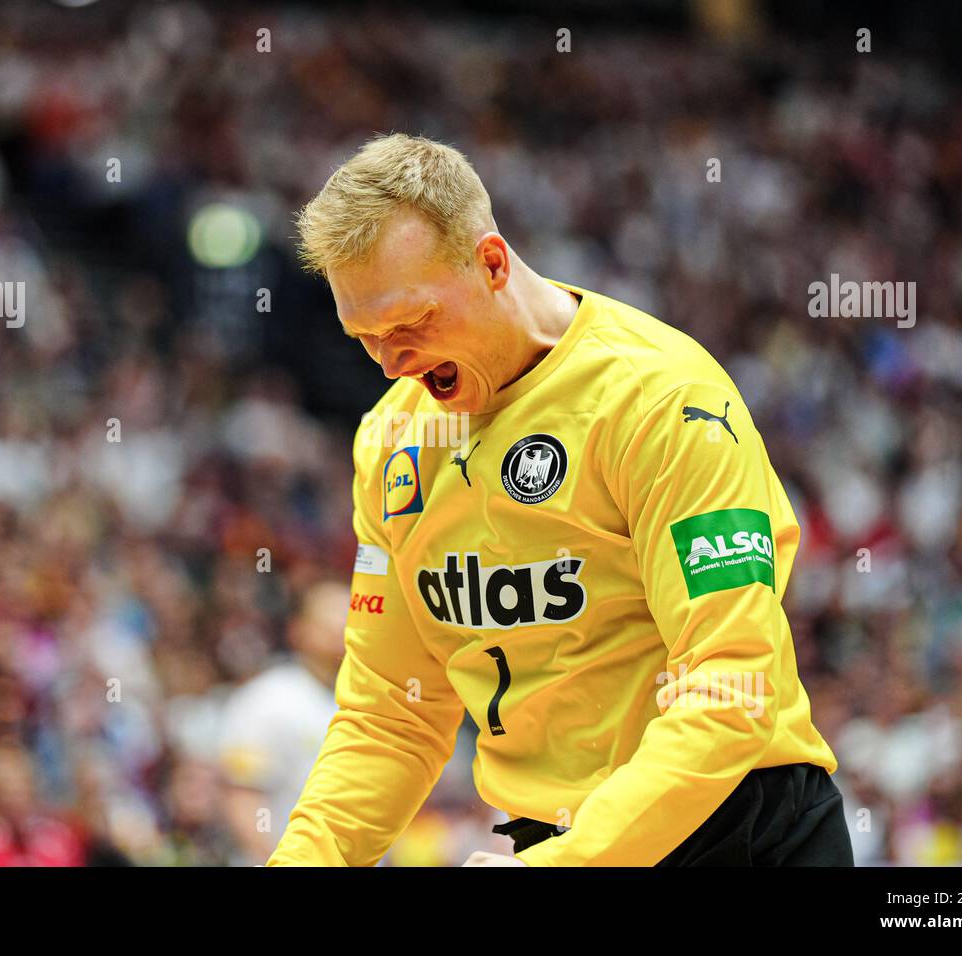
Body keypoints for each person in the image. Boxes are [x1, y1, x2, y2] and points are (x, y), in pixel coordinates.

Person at [266, 133, 852, 867]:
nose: (391, 363)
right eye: (366, 337)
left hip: (738, 833)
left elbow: (730, 688)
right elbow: (393, 716)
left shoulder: (662, 399)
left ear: (490, 262)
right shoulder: (390, 443)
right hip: (550, 840)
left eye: (411, 324)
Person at [218, 580, 348, 864]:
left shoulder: (374, 702)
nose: (342, 629)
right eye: (329, 620)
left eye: (350, 618)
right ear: (297, 630)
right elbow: (243, 797)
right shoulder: (266, 699)